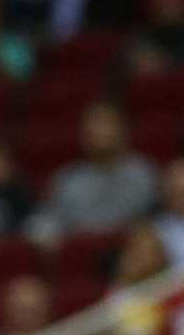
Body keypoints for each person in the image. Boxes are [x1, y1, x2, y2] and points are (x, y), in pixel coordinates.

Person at [28, 101, 158, 242]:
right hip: (78, 256)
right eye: (93, 125)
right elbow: (45, 221)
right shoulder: (67, 179)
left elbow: (161, 223)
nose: (99, 131)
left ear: (123, 130)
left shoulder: (144, 173)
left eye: (106, 124)